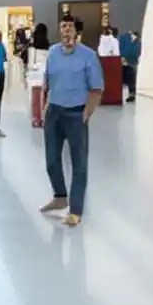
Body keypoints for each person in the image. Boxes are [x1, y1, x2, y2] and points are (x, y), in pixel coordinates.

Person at [39, 15, 103, 227]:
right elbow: (46, 81)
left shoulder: (88, 56)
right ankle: (60, 196)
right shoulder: (53, 53)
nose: (66, 30)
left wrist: (87, 113)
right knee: (51, 161)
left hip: (76, 114)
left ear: (77, 32)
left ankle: (76, 209)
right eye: (63, 26)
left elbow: (96, 88)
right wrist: (44, 106)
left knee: (79, 163)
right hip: (54, 112)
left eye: (70, 27)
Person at [27, 23, 51, 127]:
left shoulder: (33, 48)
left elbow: (31, 64)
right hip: (45, 75)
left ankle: (35, 118)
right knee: (44, 98)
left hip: (35, 76)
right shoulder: (48, 47)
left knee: (35, 98)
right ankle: (42, 118)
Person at [120, 30, 141, 103]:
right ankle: (131, 94)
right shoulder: (135, 42)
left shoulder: (136, 43)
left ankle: (131, 94)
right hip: (128, 62)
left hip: (129, 63)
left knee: (130, 79)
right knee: (129, 79)